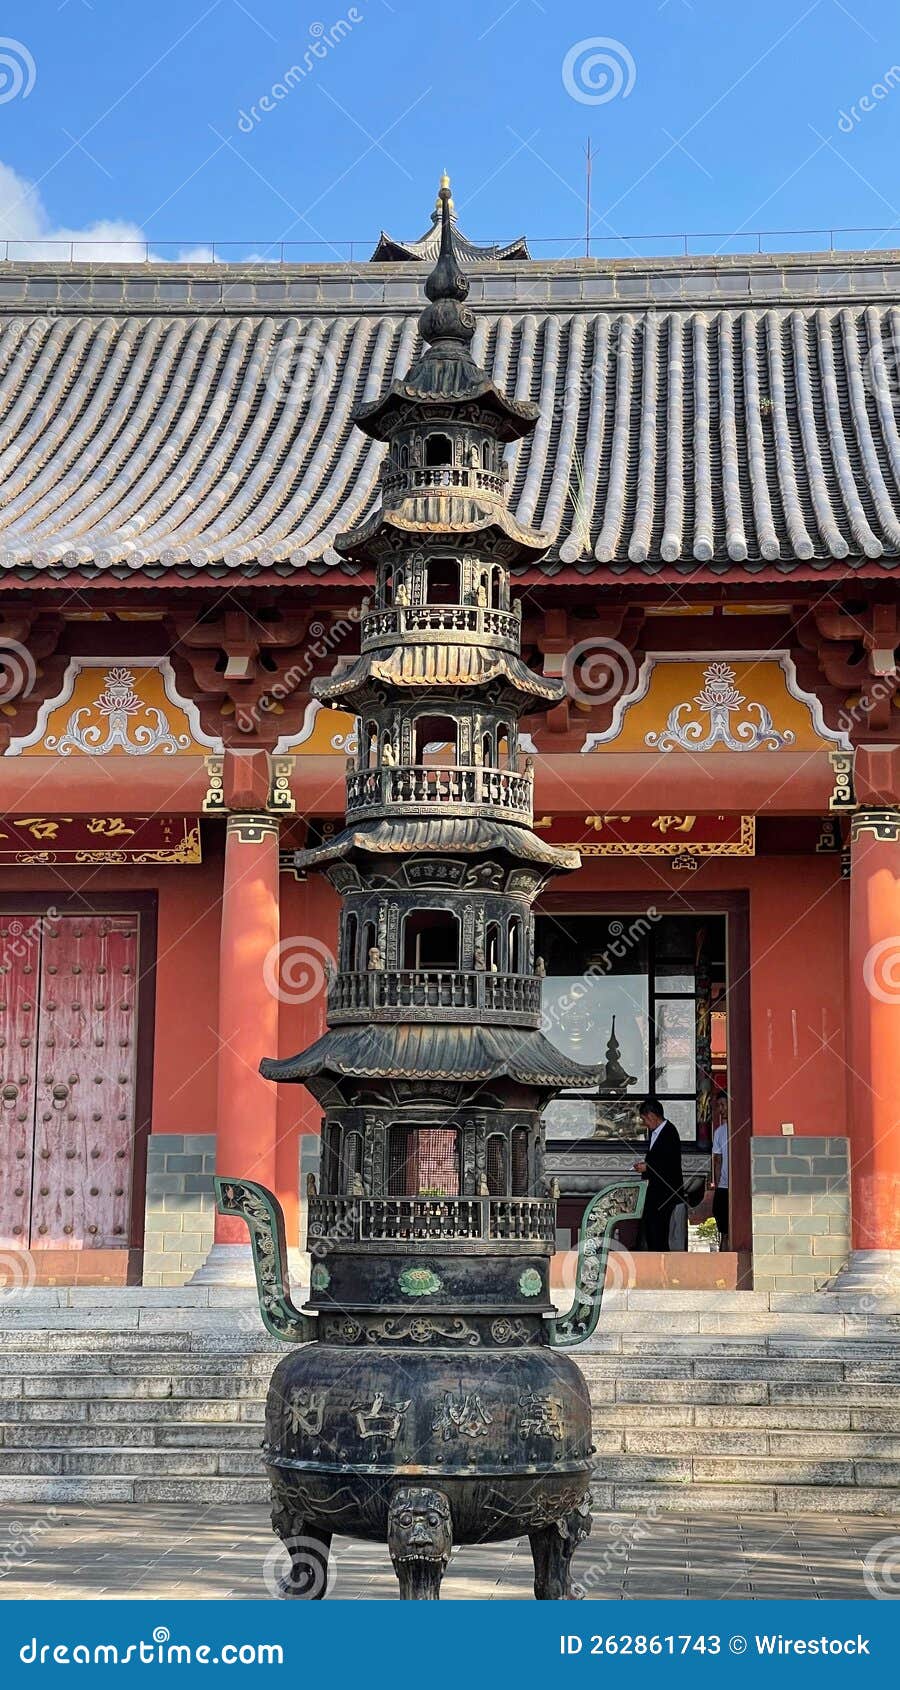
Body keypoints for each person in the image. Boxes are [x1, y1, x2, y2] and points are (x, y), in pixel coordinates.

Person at [633, 1096, 683, 1251]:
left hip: (665, 1193)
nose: (644, 1123)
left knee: (659, 1232)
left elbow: (669, 1162)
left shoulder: (669, 1132)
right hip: (654, 1191)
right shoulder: (655, 1133)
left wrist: (648, 1168)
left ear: (652, 1116)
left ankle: (661, 1264)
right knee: (650, 1230)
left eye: (644, 1119)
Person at [711, 1092, 729, 1251]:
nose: (721, 1109)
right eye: (719, 1106)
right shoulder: (719, 1132)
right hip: (723, 1185)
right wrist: (717, 1184)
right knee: (723, 1228)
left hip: (736, 1186)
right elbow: (717, 1160)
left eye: (723, 1105)